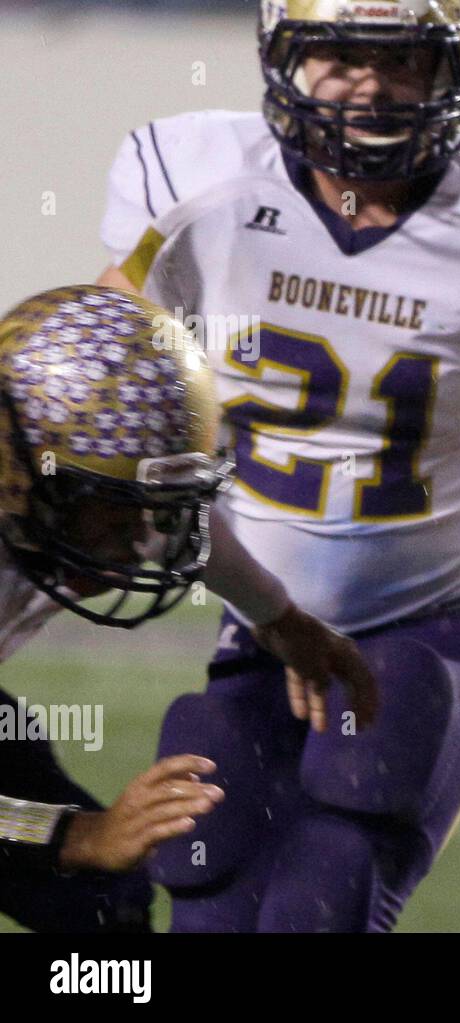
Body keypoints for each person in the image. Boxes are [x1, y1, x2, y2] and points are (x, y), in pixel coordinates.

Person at [96, 0, 460, 931]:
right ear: (282, 55)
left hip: (443, 611)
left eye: (404, 58)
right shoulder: (195, 180)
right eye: (339, 53)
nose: (371, 85)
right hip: (263, 612)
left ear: (453, 68)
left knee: (325, 891)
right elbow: (108, 353)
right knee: (208, 879)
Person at [0, 284, 376, 932]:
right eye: (114, 510)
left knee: (102, 900)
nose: (137, 543)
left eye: (152, 510)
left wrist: (279, 619)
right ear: (22, 474)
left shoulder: (46, 493)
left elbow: (178, 530)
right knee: (81, 858)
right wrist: (73, 834)